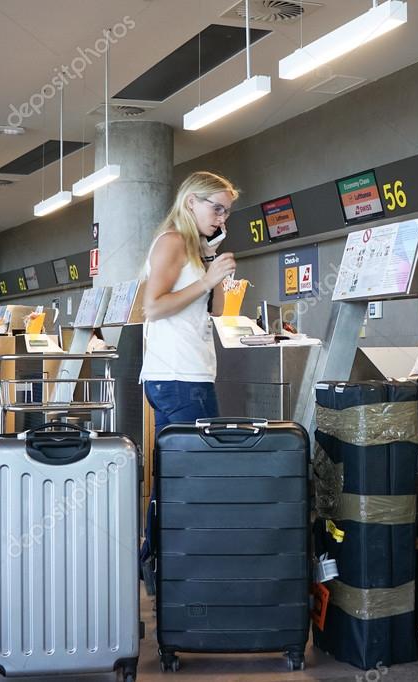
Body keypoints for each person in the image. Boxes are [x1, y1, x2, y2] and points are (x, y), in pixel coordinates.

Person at [137, 171, 238, 592]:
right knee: (193, 473)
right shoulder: (172, 242)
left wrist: (214, 265)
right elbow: (153, 307)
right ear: (190, 202)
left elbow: (214, 310)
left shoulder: (196, 248)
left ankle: (159, 561)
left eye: (227, 211)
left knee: (179, 473)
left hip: (191, 374)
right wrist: (206, 279)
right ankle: (172, 564)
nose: (221, 217)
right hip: (177, 377)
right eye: (215, 207)